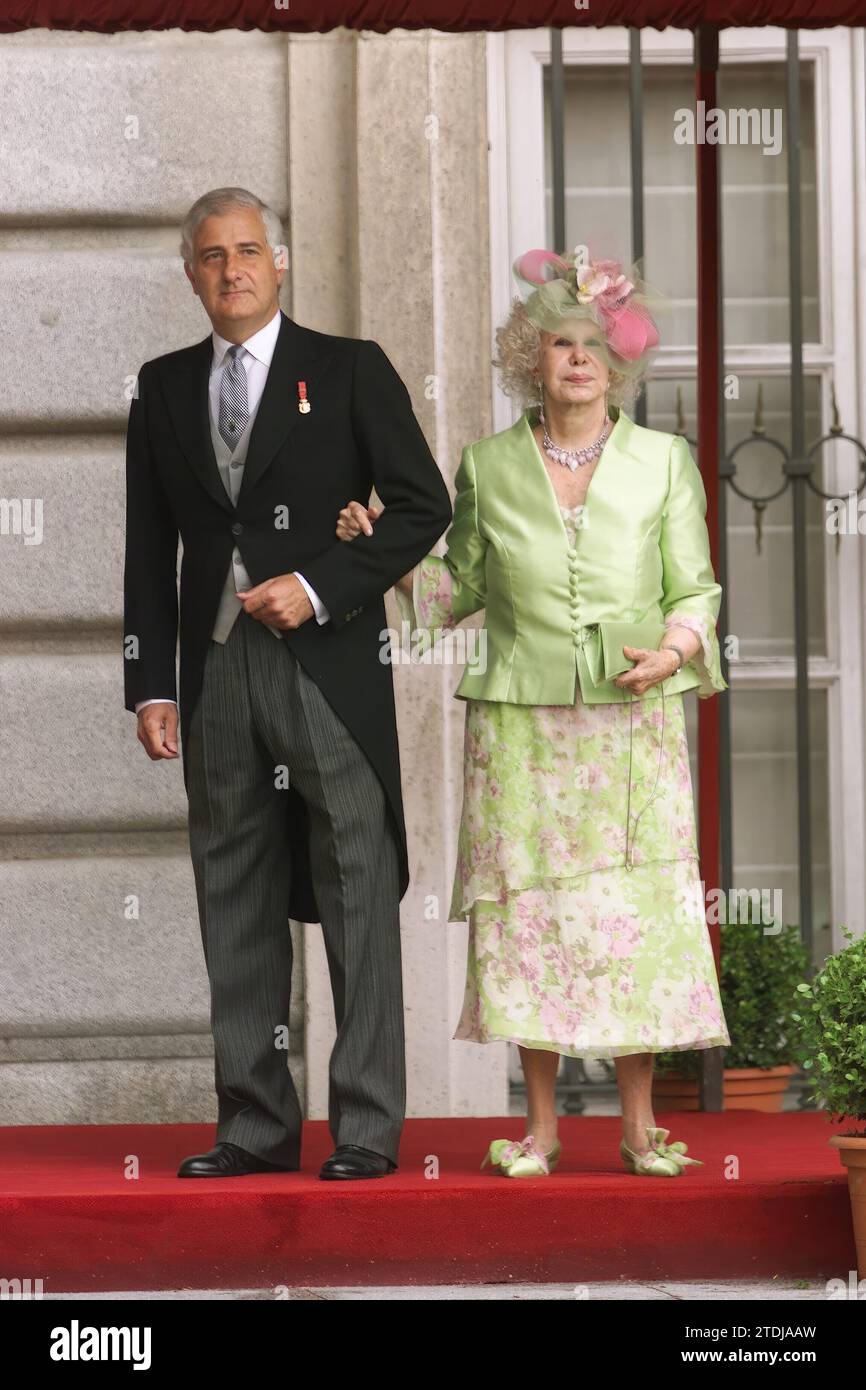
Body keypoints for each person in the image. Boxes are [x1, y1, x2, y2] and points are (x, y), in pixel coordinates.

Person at [335, 245, 730, 1178]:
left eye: (595, 344)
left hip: (632, 726)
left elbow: (697, 592)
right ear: (532, 358)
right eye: (560, 343)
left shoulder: (666, 463)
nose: (579, 359)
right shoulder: (488, 466)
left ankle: (638, 1127)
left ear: (620, 361)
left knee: (630, 915)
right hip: (521, 732)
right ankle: (542, 1128)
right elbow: (454, 590)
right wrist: (377, 552)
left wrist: (675, 651)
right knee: (532, 922)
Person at [123, 187, 452, 1181]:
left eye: (249, 251)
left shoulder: (348, 371)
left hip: (327, 666)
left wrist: (316, 586)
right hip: (215, 670)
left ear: (280, 264)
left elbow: (419, 506)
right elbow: (150, 548)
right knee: (233, 887)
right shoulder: (163, 384)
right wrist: (150, 684)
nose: (232, 271)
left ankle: (364, 1127)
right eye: (213, 256)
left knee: (355, 885)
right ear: (192, 273)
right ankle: (255, 1124)